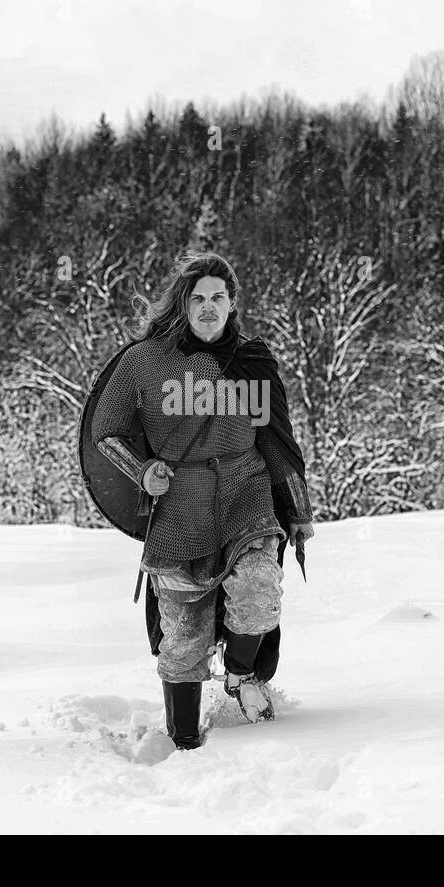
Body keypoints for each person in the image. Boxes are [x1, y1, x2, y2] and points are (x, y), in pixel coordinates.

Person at [90, 251, 314, 750]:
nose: (208, 306)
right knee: (184, 638)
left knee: (259, 591)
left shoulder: (252, 359)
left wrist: (297, 509)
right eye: (199, 298)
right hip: (179, 507)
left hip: (245, 490)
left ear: (232, 303)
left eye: (218, 297)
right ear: (183, 303)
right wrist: (143, 470)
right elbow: (106, 432)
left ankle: (238, 674)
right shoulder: (145, 361)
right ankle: (185, 742)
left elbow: (277, 439)